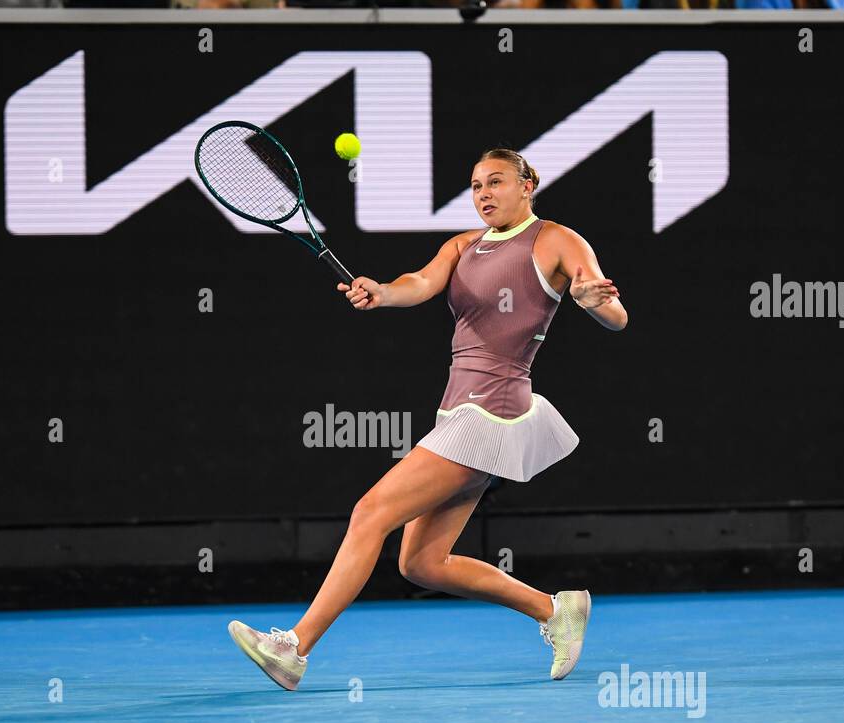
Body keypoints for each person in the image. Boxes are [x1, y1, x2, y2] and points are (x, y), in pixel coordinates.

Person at [228, 148, 627, 691]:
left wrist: (588, 300)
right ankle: (555, 609)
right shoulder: (463, 245)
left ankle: (294, 647)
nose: (484, 193)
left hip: (491, 412)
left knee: (370, 512)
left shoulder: (556, 239)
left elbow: (615, 316)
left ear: (528, 185)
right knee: (422, 564)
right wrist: (382, 292)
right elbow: (418, 282)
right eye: (475, 185)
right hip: (458, 411)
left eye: (497, 182)